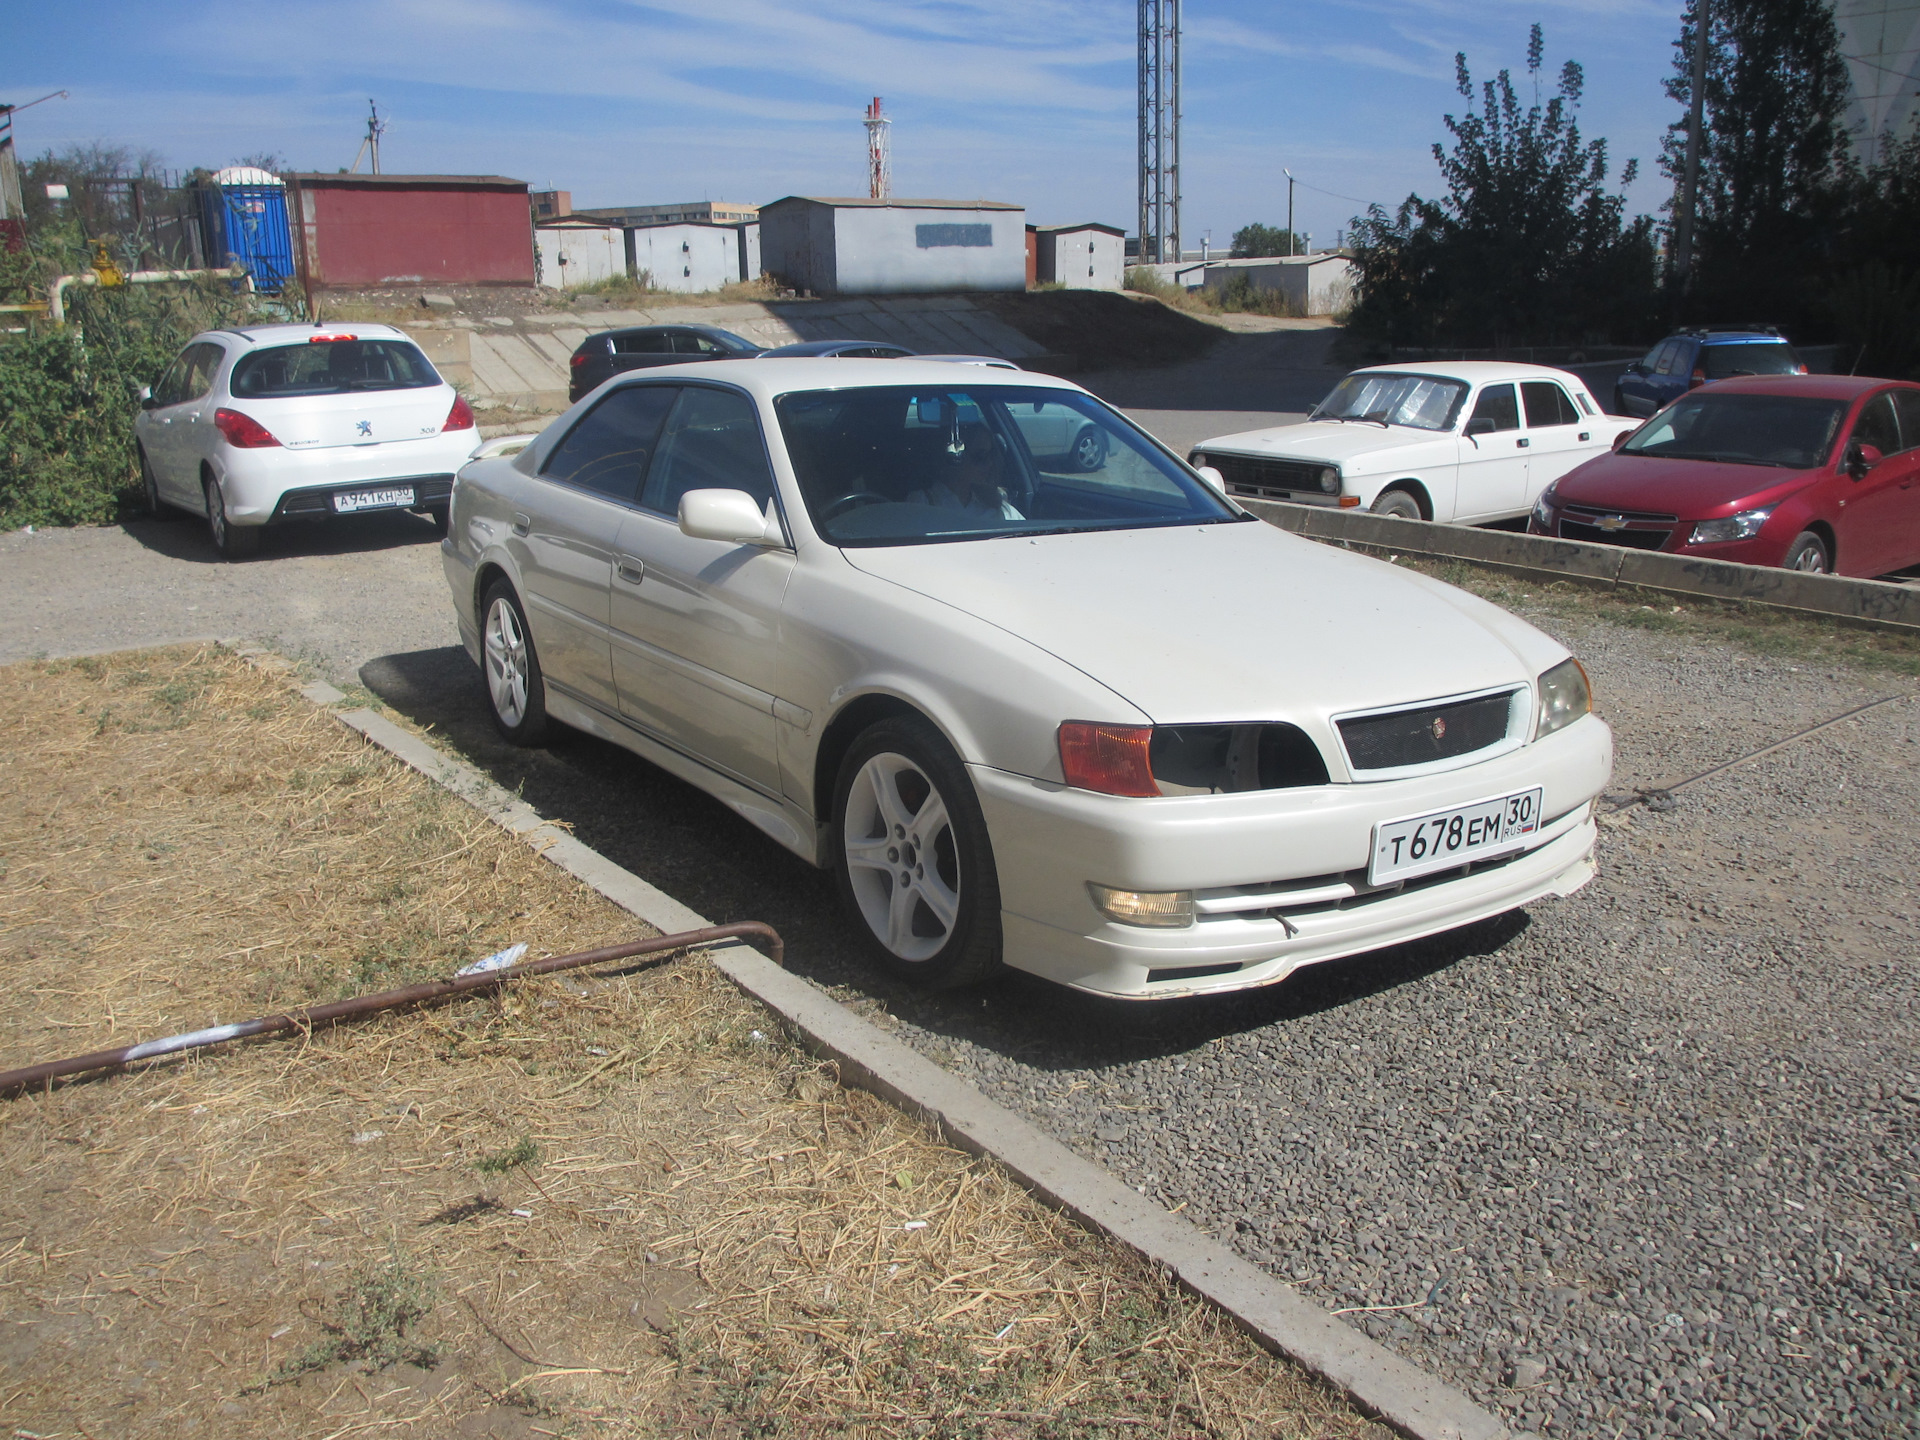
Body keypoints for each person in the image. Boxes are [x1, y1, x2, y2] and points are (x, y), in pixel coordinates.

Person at [905, 423, 1024, 521]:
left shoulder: (997, 505)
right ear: (954, 457)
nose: (989, 463)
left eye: (991, 455)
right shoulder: (923, 502)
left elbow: (1026, 535)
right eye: (980, 456)